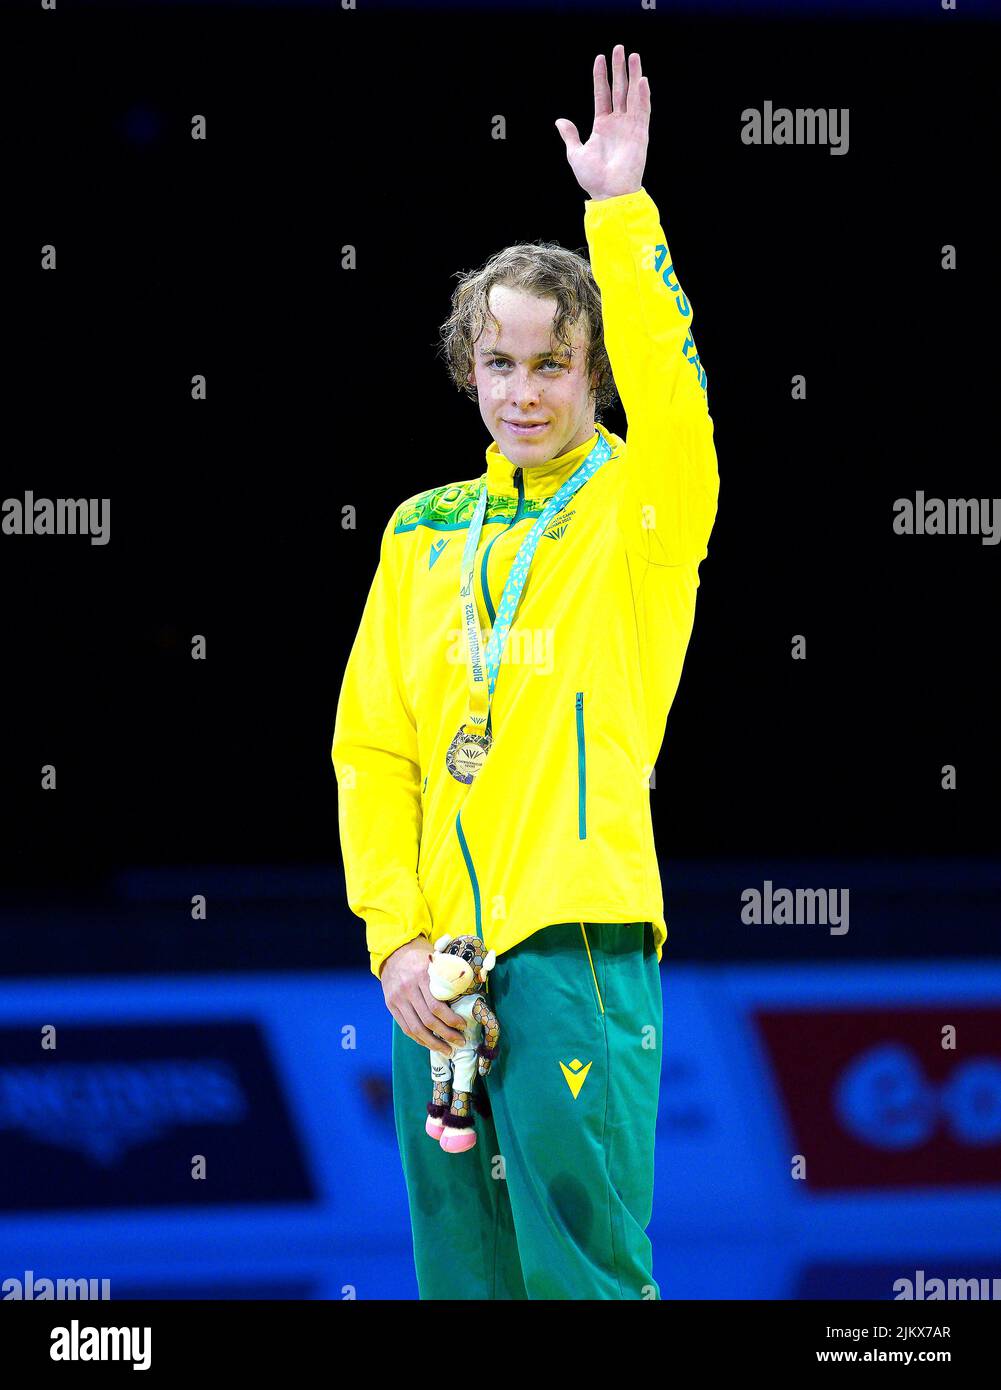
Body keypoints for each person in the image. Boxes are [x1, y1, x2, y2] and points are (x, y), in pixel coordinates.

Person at [331, 44, 719, 1300]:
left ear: (589, 371)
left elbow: (675, 398)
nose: (523, 391)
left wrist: (618, 212)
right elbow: (374, 748)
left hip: (575, 945)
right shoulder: (420, 528)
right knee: (463, 1279)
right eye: (499, 363)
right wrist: (393, 942)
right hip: (442, 968)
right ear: (468, 369)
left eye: (551, 363)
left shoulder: (642, 503)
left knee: (583, 1278)